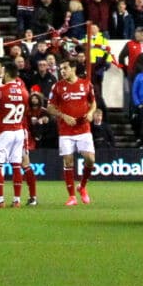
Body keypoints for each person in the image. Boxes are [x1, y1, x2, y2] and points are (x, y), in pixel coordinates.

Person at [48, 59, 98, 206]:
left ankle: (82, 187)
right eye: (60, 68)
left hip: (83, 129)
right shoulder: (57, 87)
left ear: (73, 68)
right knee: (68, 161)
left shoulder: (86, 84)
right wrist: (63, 116)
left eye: (65, 68)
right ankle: (71, 197)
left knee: (90, 159)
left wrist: (90, 113)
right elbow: (50, 107)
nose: (62, 71)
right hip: (66, 130)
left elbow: (93, 102)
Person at [0, 68, 34, 208]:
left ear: (6, 74)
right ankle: (16, 200)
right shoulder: (24, 91)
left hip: (4, 131)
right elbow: (27, 111)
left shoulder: (0, 90)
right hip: (18, 131)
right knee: (16, 164)